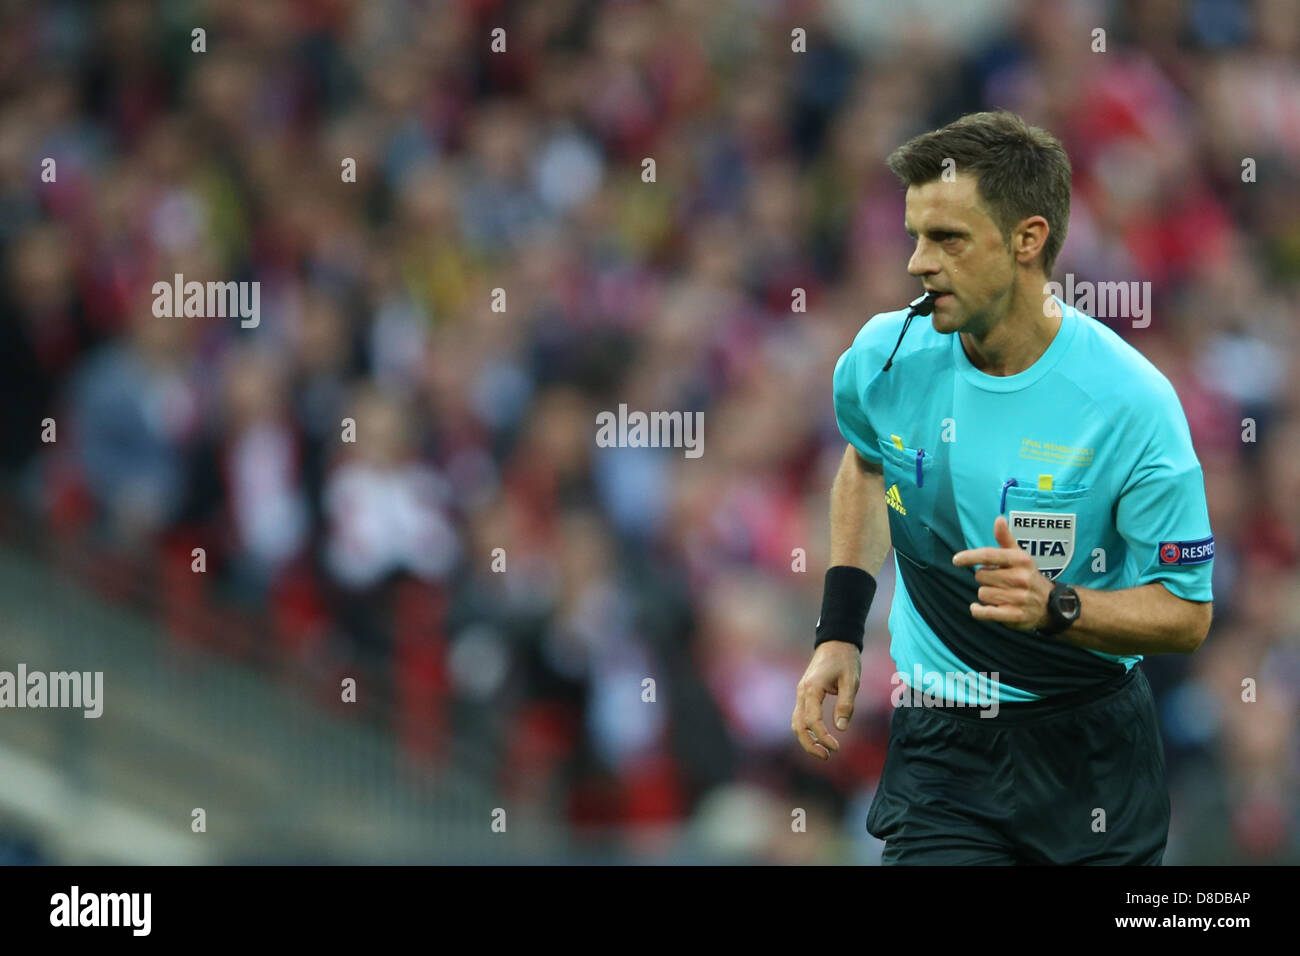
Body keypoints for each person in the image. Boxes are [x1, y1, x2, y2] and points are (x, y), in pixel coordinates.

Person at [791, 111, 1214, 865]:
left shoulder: (1130, 404)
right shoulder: (881, 359)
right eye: (915, 236)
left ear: (1027, 239)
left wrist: (1059, 607)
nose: (919, 263)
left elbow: (1185, 613)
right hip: (943, 751)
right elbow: (865, 462)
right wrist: (839, 632)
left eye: (947, 238)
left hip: (1092, 757)